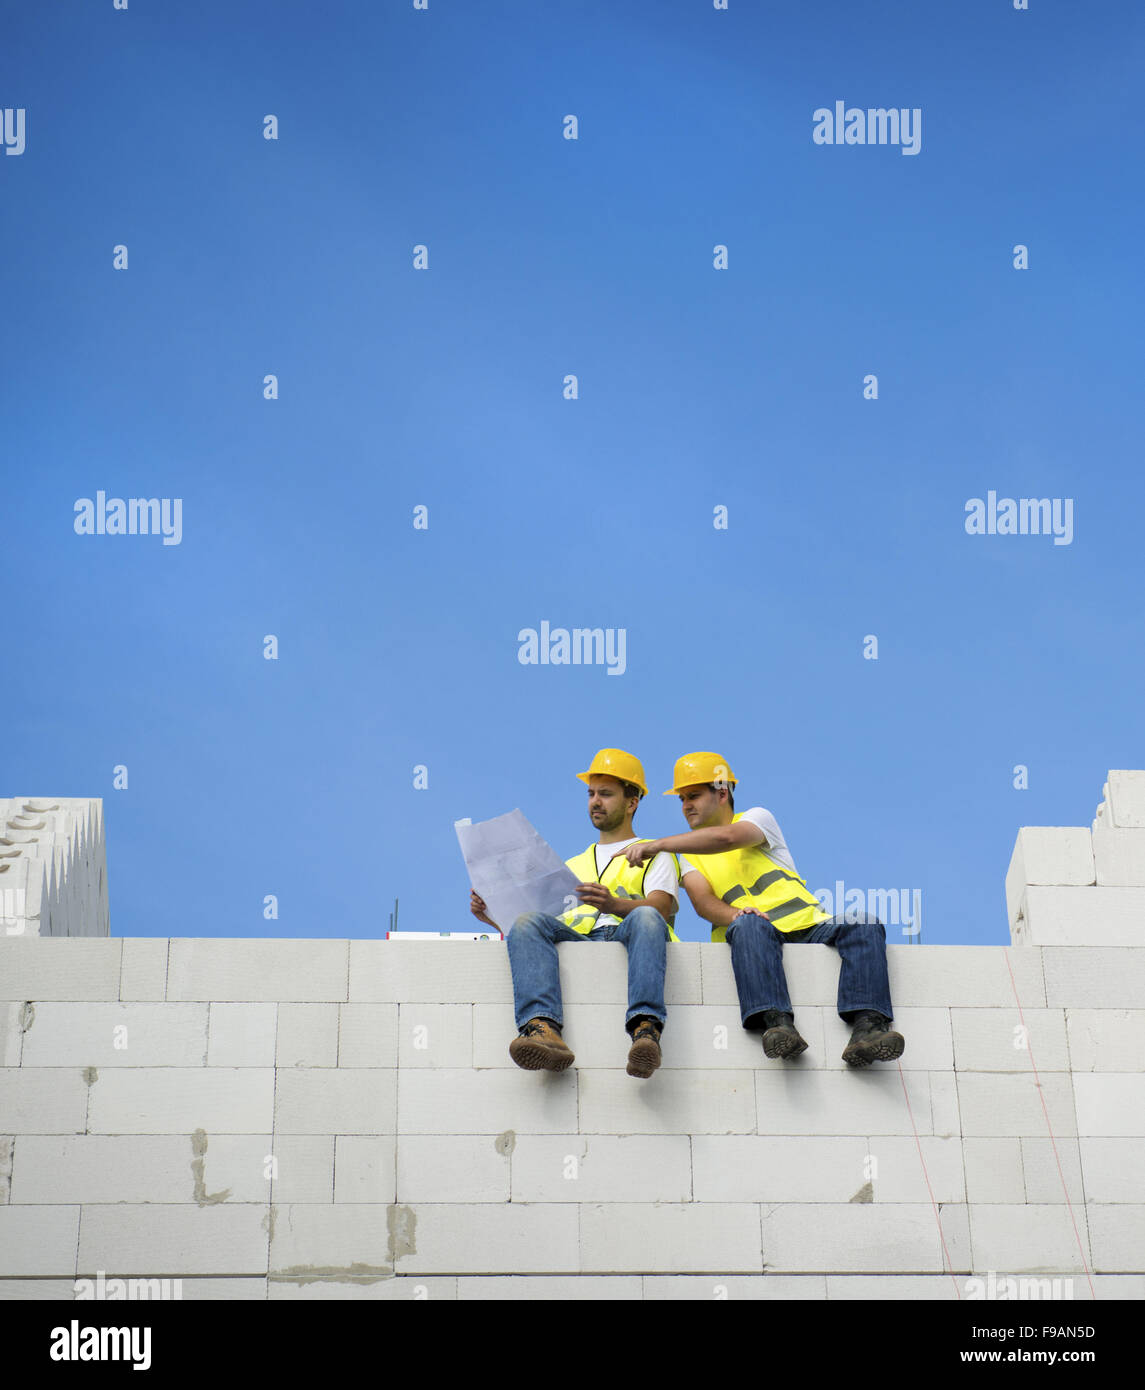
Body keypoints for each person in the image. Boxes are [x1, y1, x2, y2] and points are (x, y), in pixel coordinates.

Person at [623, 752, 905, 1067]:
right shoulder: (688, 856)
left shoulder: (757, 818)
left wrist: (658, 844)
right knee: (747, 926)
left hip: (808, 924)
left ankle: (868, 1028)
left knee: (864, 923)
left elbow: (726, 837)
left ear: (721, 792)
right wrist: (735, 915)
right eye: (682, 799)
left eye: (693, 796)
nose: (686, 805)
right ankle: (777, 1025)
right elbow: (703, 903)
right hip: (755, 933)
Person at [470, 748, 679, 1079]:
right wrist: (493, 916)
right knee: (526, 921)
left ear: (631, 802)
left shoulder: (654, 854)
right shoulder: (573, 865)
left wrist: (614, 905)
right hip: (580, 939)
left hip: (626, 933)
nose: (595, 801)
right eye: (591, 793)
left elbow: (661, 909)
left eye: (606, 794)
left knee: (646, 916)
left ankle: (645, 1029)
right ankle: (543, 1029)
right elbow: (541, 928)